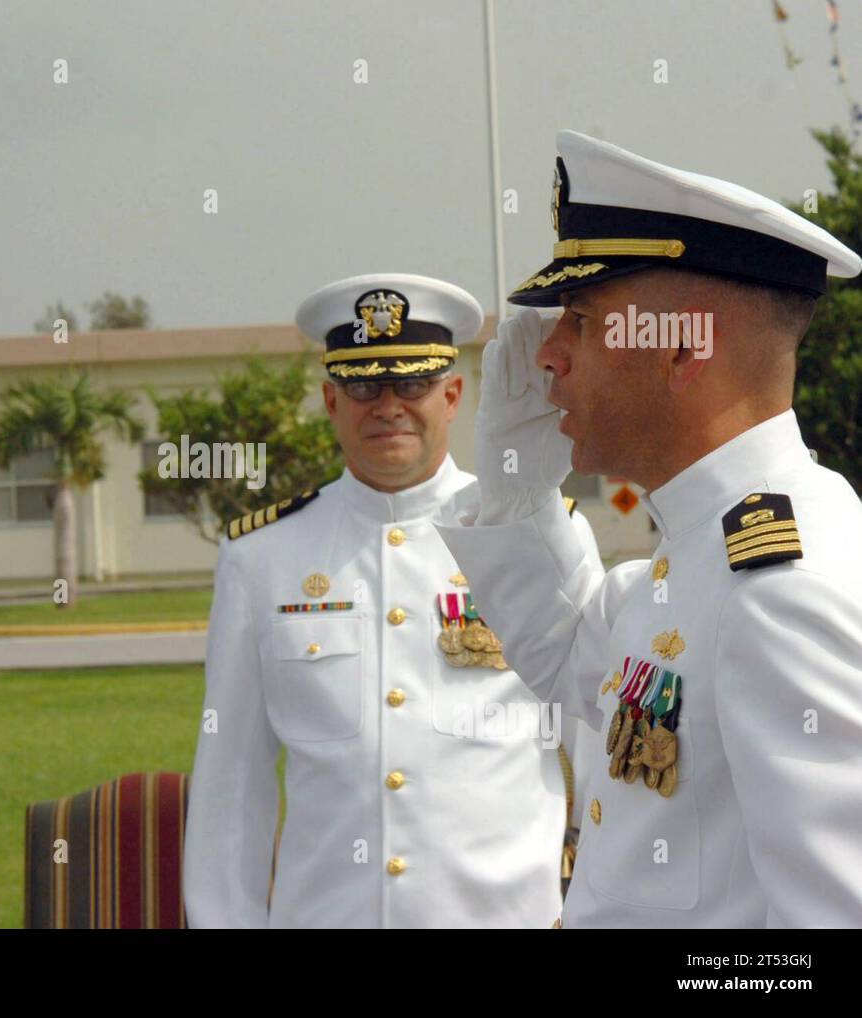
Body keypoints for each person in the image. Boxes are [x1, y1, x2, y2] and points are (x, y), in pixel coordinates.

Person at [436, 130, 862, 927]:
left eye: (583, 321)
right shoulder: (706, 550)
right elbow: (570, 654)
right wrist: (518, 483)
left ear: (684, 349)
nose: (548, 355)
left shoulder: (779, 592)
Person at [183, 274, 602, 928]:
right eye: (363, 386)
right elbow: (230, 788)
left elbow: (598, 742)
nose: (388, 406)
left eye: (412, 384)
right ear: (330, 400)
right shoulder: (261, 558)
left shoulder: (534, 533)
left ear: (454, 394)